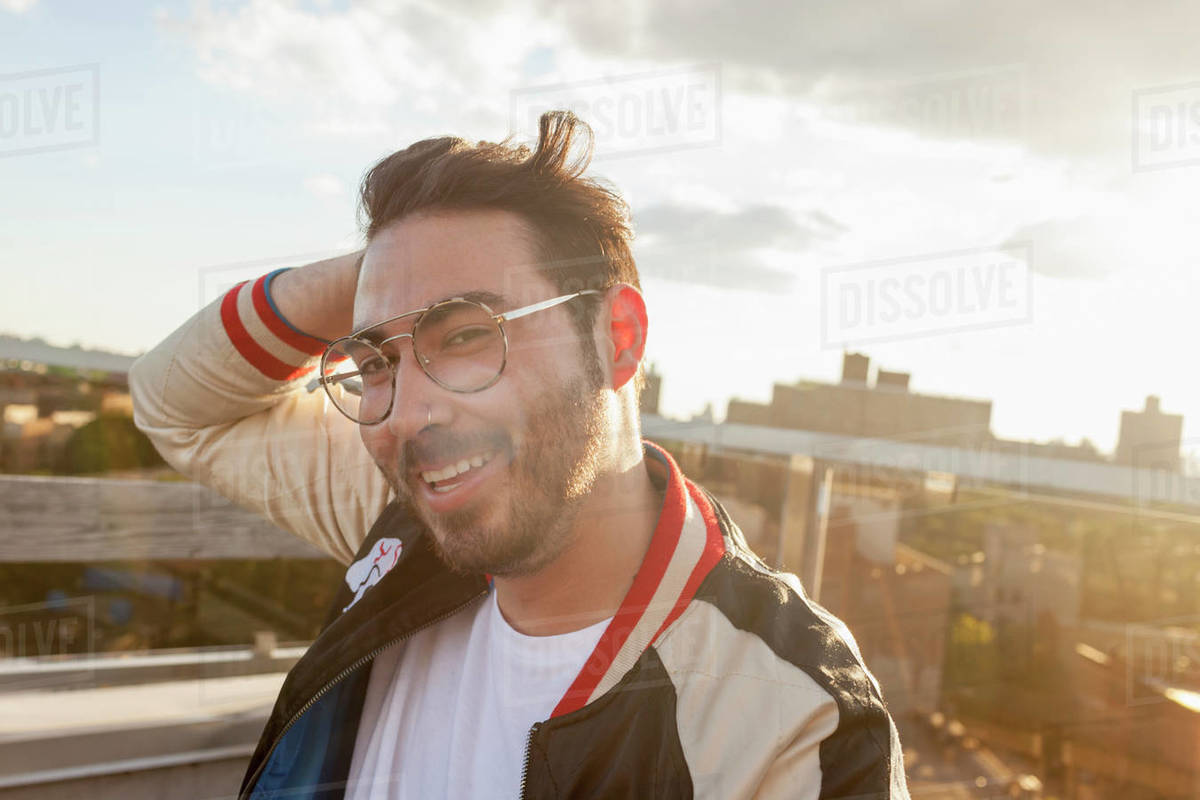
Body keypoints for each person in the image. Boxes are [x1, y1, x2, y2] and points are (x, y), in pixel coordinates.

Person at [130, 111, 910, 799]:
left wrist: (396, 287)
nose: (407, 414)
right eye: (375, 362)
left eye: (467, 334)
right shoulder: (414, 528)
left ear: (618, 339)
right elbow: (176, 407)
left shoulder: (784, 719)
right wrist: (381, 276)